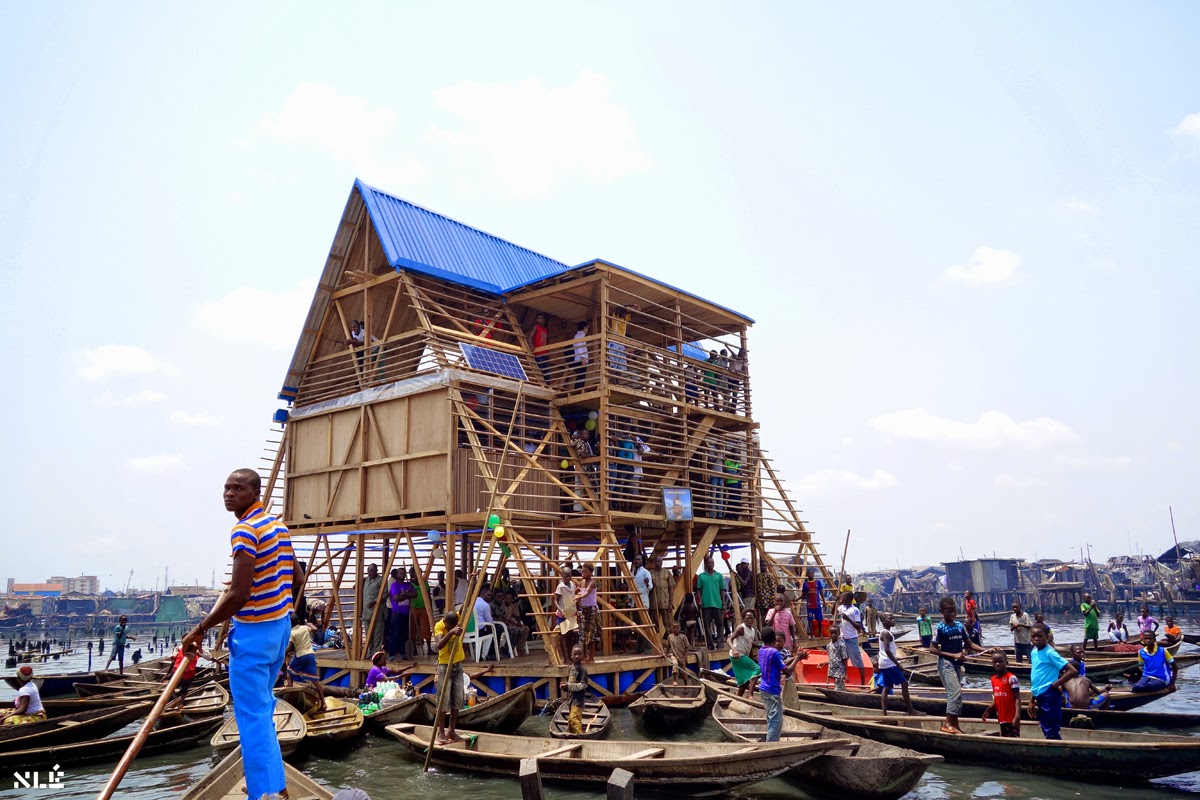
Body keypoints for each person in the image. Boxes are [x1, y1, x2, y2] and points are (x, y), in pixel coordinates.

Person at [180, 468, 295, 800]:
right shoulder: (278, 526)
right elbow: (295, 576)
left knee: (250, 716)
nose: (230, 493)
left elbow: (239, 595)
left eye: (238, 488)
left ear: (254, 493)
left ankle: (264, 793)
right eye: (227, 487)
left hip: (255, 634)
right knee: (263, 709)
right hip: (280, 627)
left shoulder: (244, 530)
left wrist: (199, 629)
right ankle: (278, 786)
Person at [929, 595, 993, 734]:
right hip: (946, 663)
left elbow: (970, 644)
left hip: (958, 664)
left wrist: (987, 651)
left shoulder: (959, 626)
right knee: (955, 693)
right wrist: (953, 655)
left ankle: (955, 724)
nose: (952, 614)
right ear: (941, 611)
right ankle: (947, 724)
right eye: (948, 611)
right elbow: (932, 649)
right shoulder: (940, 628)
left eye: (954, 611)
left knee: (957, 694)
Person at [1028, 622, 1076, 739]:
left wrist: (1056, 684)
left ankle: (1056, 751)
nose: (1036, 638)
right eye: (1033, 636)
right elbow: (1036, 677)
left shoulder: (1050, 653)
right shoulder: (1034, 651)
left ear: (1047, 637)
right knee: (1044, 725)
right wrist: (1032, 699)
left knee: (1051, 727)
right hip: (1039, 694)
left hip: (1049, 695)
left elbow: (1072, 671)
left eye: (1040, 636)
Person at [758, 627, 803, 742]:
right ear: (773, 639)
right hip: (772, 690)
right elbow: (787, 671)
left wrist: (794, 657)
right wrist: (797, 659)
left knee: (770, 718)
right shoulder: (774, 652)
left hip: (763, 689)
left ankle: (770, 741)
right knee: (776, 721)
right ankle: (771, 747)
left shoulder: (762, 650)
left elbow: (779, 664)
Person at [432, 611, 466, 744]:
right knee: (443, 701)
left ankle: (451, 730)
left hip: (458, 666)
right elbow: (439, 645)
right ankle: (441, 732)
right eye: (448, 626)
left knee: (457, 699)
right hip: (444, 667)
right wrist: (451, 632)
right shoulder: (439, 626)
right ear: (445, 622)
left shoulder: (458, 618)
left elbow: (465, 607)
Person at [877, 613, 915, 715]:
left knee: (887, 686)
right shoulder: (886, 633)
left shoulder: (886, 633)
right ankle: (910, 710)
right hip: (888, 663)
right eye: (890, 618)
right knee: (904, 683)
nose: (893, 620)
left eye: (893, 618)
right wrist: (898, 664)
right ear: (883, 621)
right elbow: (887, 650)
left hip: (884, 663)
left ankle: (884, 714)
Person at [981, 651, 1021, 738]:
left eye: (1000, 661)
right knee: (1005, 737)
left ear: (1006, 662)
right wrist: (988, 710)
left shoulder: (1011, 678)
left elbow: (1017, 697)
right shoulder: (993, 679)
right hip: (1002, 718)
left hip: (1012, 718)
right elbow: (996, 698)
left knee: (1013, 739)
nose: (997, 664)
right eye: (995, 662)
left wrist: (1017, 716)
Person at [286, 612, 322, 698]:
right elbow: (315, 629)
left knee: (289, 673)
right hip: (310, 654)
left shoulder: (292, 632)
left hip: (301, 655)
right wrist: (309, 624)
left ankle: (291, 695)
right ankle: (323, 702)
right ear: (298, 621)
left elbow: (289, 647)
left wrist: (282, 654)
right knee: (316, 681)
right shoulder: (304, 628)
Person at [727, 609, 762, 696]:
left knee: (744, 682)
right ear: (743, 619)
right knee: (758, 669)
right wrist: (734, 650)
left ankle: (738, 698)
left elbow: (749, 644)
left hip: (744, 655)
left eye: (751, 618)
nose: (750, 620)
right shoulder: (741, 628)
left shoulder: (753, 631)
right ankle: (750, 695)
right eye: (747, 618)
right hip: (737, 655)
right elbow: (729, 639)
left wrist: (759, 646)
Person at [836, 591, 868, 687]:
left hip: (851, 639)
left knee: (858, 662)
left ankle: (863, 684)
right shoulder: (842, 607)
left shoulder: (855, 610)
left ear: (849, 599)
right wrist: (836, 601)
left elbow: (858, 627)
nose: (842, 599)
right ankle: (844, 677)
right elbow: (834, 612)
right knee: (842, 659)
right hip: (843, 638)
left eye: (844, 598)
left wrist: (848, 619)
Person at [1131, 629, 1177, 694]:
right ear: (1142, 640)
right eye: (1145, 639)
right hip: (1147, 676)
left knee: (1149, 686)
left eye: (1150, 638)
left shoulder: (1163, 651)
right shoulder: (1141, 652)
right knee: (1136, 688)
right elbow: (1141, 666)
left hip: (1161, 679)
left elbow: (1175, 667)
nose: (1147, 640)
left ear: (1154, 640)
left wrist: (1172, 683)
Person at [697, 555, 725, 650]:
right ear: (706, 564)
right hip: (706, 604)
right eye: (709, 563)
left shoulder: (719, 575)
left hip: (717, 603)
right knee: (706, 625)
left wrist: (723, 603)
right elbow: (699, 590)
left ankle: (720, 643)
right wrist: (699, 599)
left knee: (720, 624)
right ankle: (710, 644)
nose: (711, 564)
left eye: (712, 563)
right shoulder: (701, 576)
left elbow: (722, 590)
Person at [560, 644, 589, 735]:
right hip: (571, 698)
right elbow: (571, 683)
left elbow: (583, 685)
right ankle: (571, 736)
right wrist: (565, 688)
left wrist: (568, 686)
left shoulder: (582, 669)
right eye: (575, 654)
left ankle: (580, 737)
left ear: (583, 656)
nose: (577, 656)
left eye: (579, 654)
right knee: (570, 721)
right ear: (571, 656)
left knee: (574, 719)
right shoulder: (570, 668)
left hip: (578, 699)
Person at [387, 568, 414, 660]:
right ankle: (392, 654)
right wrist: (407, 595)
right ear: (397, 575)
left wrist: (404, 594)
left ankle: (403, 653)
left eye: (404, 573)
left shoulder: (408, 584)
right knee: (395, 634)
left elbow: (415, 594)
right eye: (400, 573)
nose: (402, 575)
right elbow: (396, 598)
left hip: (406, 614)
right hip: (397, 613)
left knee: (405, 634)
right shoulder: (395, 585)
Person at [554, 566, 579, 664]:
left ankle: (569, 656)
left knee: (570, 636)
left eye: (569, 576)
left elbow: (573, 596)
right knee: (563, 636)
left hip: (571, 613)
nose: (568, 578)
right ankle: (565, 658)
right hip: (562, 614)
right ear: (562, 576)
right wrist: (560, 610)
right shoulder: (560, 586)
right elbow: (555, 600)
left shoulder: (572, 585)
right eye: (566, 576)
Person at [630, 554, 654, 653]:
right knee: (637, 626)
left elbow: (650, 587)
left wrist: (647, 583)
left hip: (643, 601)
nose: (637, 561)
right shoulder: (631, 572)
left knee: (644, 625)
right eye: (635, 559)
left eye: (639, 559)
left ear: (642, 561)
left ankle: (648, 647)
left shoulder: (645, 572)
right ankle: (639, 648)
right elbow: (630, 587)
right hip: (633, 601)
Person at [576, 563, 599, 663]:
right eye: (582, 572)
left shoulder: (592, 583)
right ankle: (585, 654)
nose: (583, 574)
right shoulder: (581, 583)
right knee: (583, 633)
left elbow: (587, 592)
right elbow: (574, 590)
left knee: (591, 633)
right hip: (584, 610)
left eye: (585, 572)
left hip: (592, 610)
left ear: (591, 572)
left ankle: (592, 657)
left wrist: (579, 597)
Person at [360, 564, 384, 656]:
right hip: (366, 612)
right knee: (368, 633)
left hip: (377, 611)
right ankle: (370, 651)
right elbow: (357, 587)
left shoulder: (380, 580)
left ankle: (376, 653)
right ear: (367, 571)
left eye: (373, 571)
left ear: (377, 571)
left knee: (377, 633)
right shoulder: (365, 580)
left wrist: (375, 601)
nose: (372, 573)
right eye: (370, 571)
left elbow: (384, 594)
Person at [408, 566, 432, 657]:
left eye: (420, 572)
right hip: (413, 609)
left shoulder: (425, 584)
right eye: (416, 572)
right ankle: (413, 649)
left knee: (426, 628)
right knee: (412, 629)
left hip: (424, 609)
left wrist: (429, 608)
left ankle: (429, 648)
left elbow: (428, 596)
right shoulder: (410, 584)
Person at [650, 555, 675, 639]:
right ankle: (657, 644)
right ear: (654, 562)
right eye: (657, 561)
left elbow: (671, 588)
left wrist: (671, 603)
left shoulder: (667, 572)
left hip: (665, 603)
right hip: (654, 603)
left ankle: (673, 643)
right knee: (655, 625)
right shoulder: (650, 573)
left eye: (661, 561)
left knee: (669, 625)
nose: (659, 563)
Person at [800, 569, 825, 638]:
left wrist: (824, 602)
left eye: (812, 573)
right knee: (810, 620)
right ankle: (811, 634)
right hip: (809, 606)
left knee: (820, 620)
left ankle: (820, 634)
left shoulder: (818, 582)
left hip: (817, 605)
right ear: (807, 575)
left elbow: (822, 593)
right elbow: (804, 594)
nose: (810, 575)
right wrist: (797, 599)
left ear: (813, 574)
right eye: (809, 573)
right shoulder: (805, 584)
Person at [530, 312, 551, 382]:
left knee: (547, 372)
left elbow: (546, 341)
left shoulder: (545, 329)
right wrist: (531, 346)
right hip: (538, 353)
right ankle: (540, 384)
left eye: (542, 318)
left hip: (545, 353)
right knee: (539, 370)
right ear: (537, 320)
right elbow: (530, 338)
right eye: (540, 318)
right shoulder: (536, 327)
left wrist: (548, 352)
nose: (541, 320)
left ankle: (546, 385)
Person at [826, 626, 849, 691]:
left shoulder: (841, 645)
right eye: (831, 633)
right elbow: (831, 658)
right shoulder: (829, 646)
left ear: (839, 634)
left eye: (835, 633)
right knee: (838, 684)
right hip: (833, 668)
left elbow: (845, 659)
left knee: (838, 683)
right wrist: (824, 663)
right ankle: (843, 692)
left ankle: (839, 693)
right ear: (829, 634)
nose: (833, 635)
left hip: (840, 669)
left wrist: (845, 673)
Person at [571, 320, 589, 390]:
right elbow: (579, 346)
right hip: (580, 359)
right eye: (587, 328)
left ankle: (578, 389)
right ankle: (578, 390)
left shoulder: (578, 335)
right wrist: (583, 357)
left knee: (581, 376)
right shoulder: (580, 335)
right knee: (581, 376)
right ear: (585, 327)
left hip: (579, 359)